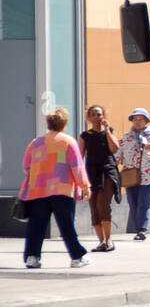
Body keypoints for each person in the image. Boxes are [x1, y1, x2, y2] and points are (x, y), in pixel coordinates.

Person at [20, 107, 92, 269]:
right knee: (66, 225)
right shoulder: (68, 142)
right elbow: (77, 167)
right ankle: (77, 257)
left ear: (48, 124)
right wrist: (85, 186)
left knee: (36, 225)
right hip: (62, 189)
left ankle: (32, 257)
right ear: (65, 124)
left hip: (38, 189)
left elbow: (26, 167)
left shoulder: (35, 143)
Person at [117, 107, 150, 240]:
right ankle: (137, 228)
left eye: (140, 119)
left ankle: (142, 229)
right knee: (133, 203)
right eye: (135, 119)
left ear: (146, 121)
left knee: (144, 202)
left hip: (146, 176)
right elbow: (118, 155)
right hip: (130, 175)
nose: (137, 122)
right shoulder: (126, 138)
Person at [79, 104, 120, 251]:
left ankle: (109, 240)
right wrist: (79, 179)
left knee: (103, 205)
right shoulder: (85, 136)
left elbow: (115, 148)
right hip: (91, 173)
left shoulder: (110, 131)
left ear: (104, 116)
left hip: (108, 172)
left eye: (99, 114)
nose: (96, 117)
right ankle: (101, 241)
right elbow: (79, 157)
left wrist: (107, 130)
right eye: (93, 114)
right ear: (88, 117)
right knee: (94, 208)